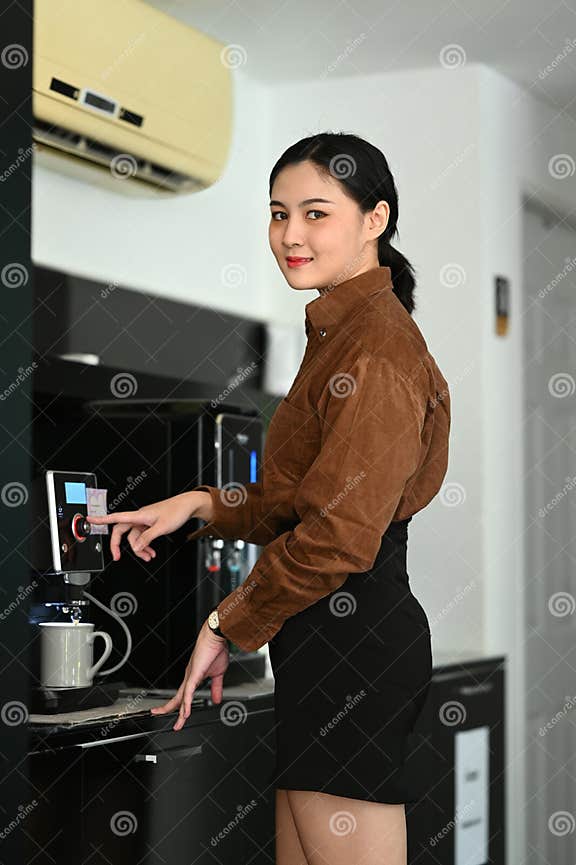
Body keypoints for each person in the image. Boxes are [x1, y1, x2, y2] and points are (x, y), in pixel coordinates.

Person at [87, 131, 451, 865]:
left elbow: (339, 536)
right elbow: (297, 499)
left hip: (353, 646)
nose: (290, 234)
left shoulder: (375, 349)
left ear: (374, 219)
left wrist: (227, 621)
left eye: (316, 213)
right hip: (325, 643)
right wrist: (199, 502)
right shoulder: (340, 334)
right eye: (278, 213)